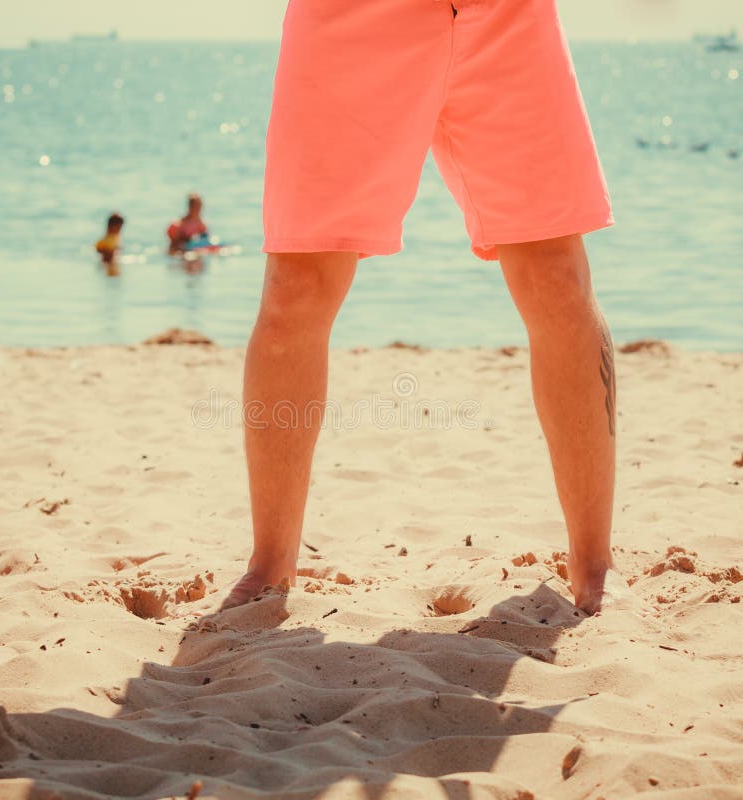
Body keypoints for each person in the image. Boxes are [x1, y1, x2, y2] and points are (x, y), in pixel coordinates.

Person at [222, 0, 626, 615]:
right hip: (351, 18)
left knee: (557, 280)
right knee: (294, 292)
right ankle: (271, 563)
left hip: (506, 17)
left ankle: (595, 562)